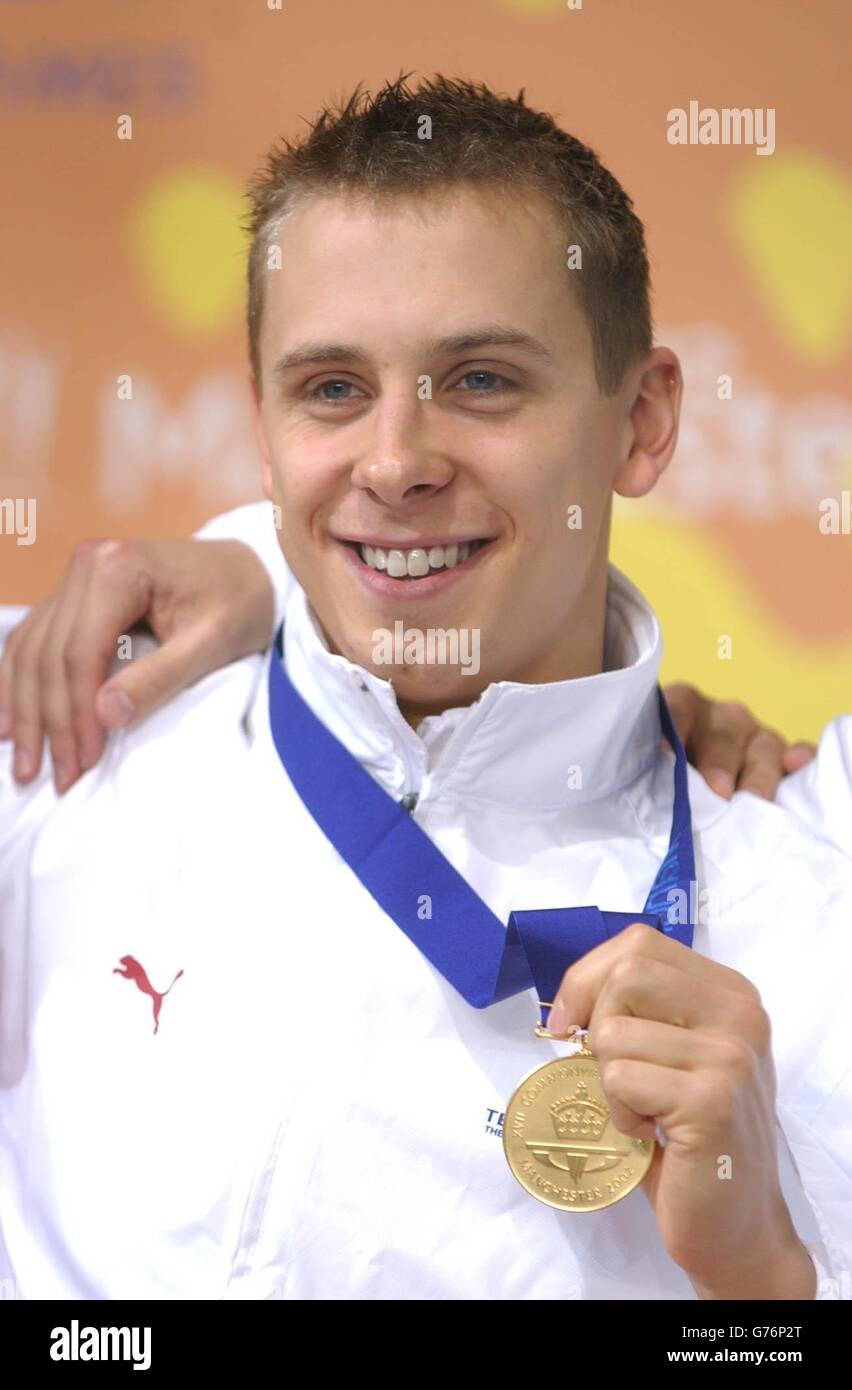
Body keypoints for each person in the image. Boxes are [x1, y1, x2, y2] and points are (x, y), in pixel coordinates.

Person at [1, 74, 849, 1301]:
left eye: (483, 380)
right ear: (263, 426)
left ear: (643, 421)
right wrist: (261, 557)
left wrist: (770, 1288)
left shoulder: (805, 903)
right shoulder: (62, 723)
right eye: (333, 389)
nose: (396, 462)